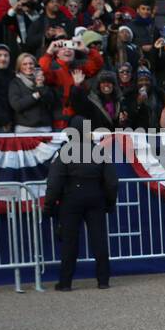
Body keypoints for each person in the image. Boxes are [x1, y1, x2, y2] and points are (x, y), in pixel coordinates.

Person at [44, 118, 118, 291]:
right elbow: (112, 182)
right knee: (99, 239)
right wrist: (110, 202)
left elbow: (54, 183)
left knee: (70, 242)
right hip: (96, 197)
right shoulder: (99, 151)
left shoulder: (65, 152)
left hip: (71, 199)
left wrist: (48, 205)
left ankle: (65, 282)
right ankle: (103, 280)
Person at [9, 52, 58, 131]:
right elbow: (17, 105)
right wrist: (36, 95)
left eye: (31, 63)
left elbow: (51, 102)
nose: (28, 66)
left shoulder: (43, 80)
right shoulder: (15, 83)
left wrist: (40, 85)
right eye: (24, 64)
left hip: (44, 127)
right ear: (19, 66)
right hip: (24, 127)